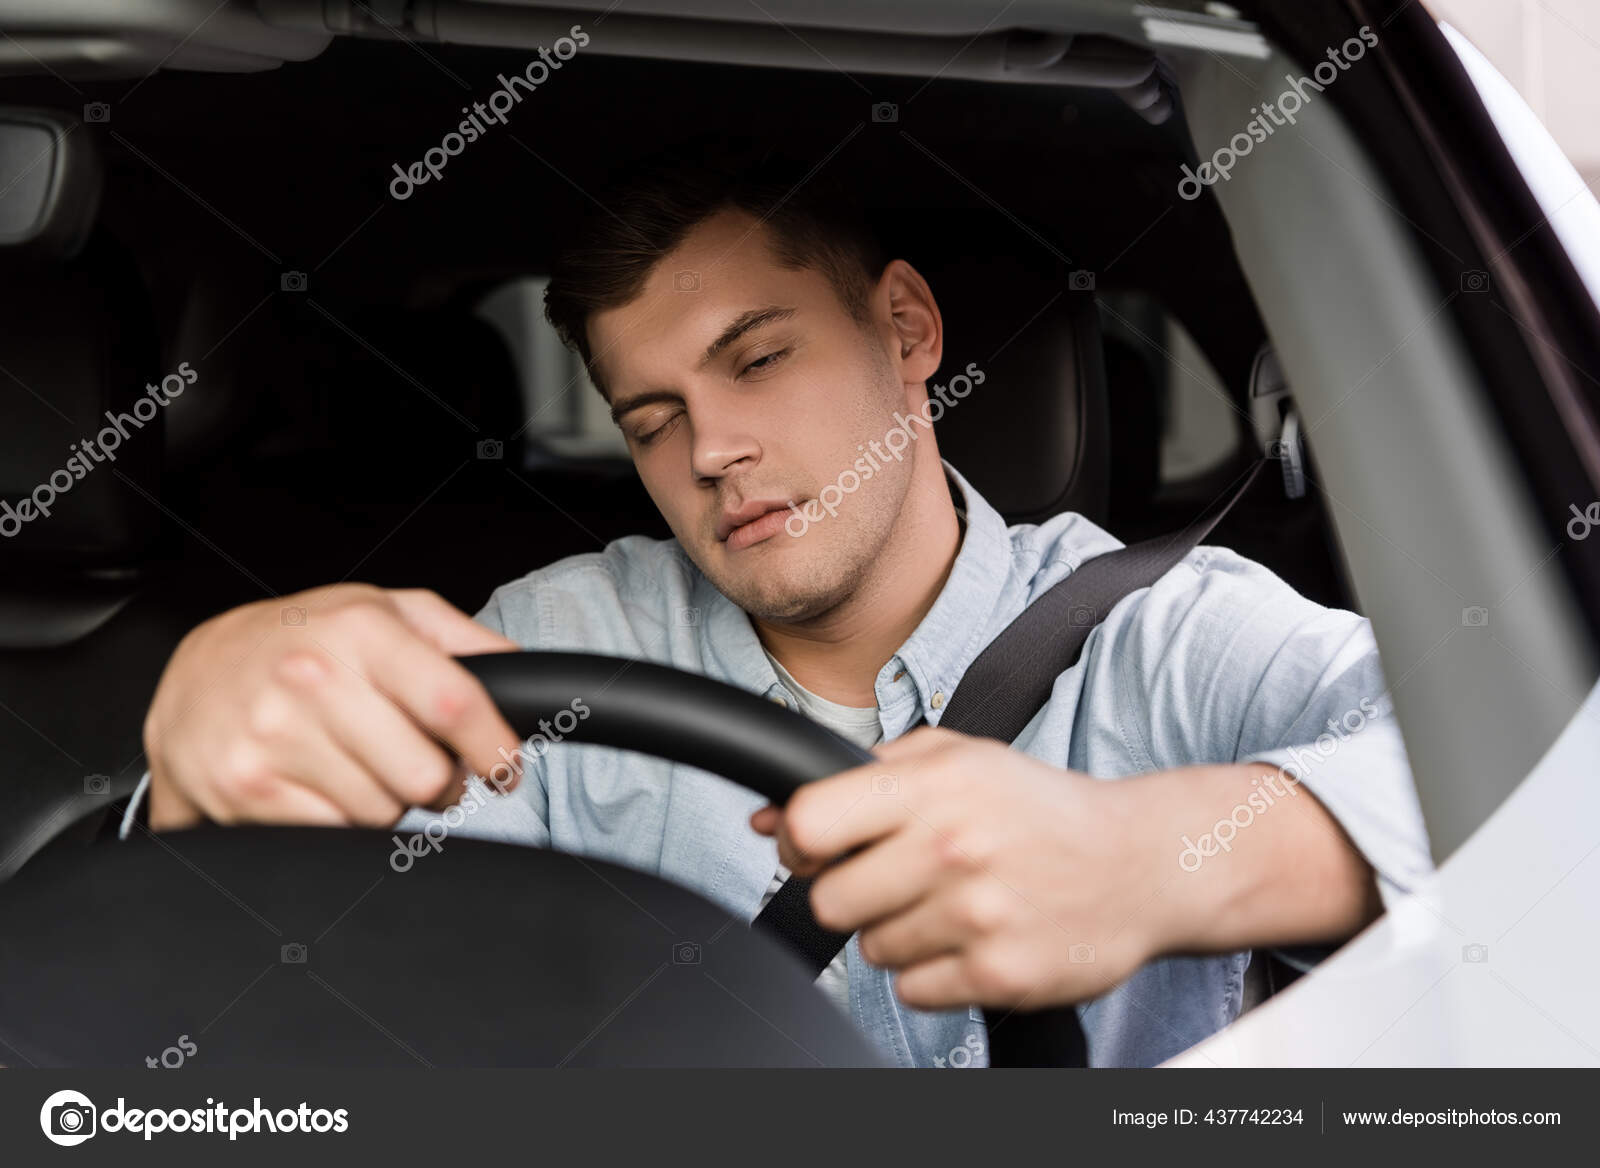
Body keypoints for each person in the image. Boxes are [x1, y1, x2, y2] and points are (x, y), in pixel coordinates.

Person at [128, 144, 1431, 1067]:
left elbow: (1526, 777)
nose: (711, 451)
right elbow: (320, 944)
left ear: (909, 329)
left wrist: (1150, 859)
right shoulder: (561, 644)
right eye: (653, 420)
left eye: (758, 361)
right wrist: (216, 783)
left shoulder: (1166, 631)